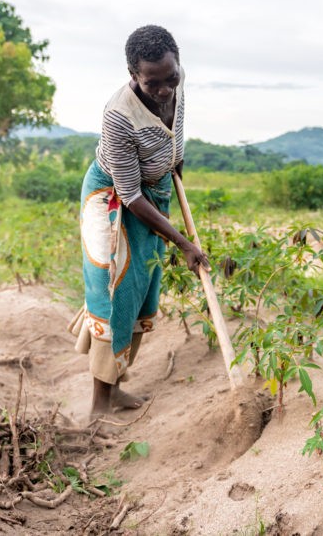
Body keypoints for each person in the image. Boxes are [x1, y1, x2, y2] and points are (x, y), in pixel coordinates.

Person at [74, 24, 209, 419]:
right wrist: (184, 243)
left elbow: (174, 137)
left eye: (172, 78)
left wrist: (174, 169)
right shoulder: (118, 116)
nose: (165, 90)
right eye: (153, 84)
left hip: (156, 189)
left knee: (143, 289)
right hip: (115, 197)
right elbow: (129, 194)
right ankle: (99, 404)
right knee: (116, 288)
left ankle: (115, 389)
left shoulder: (175, 85)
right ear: (134, 75)